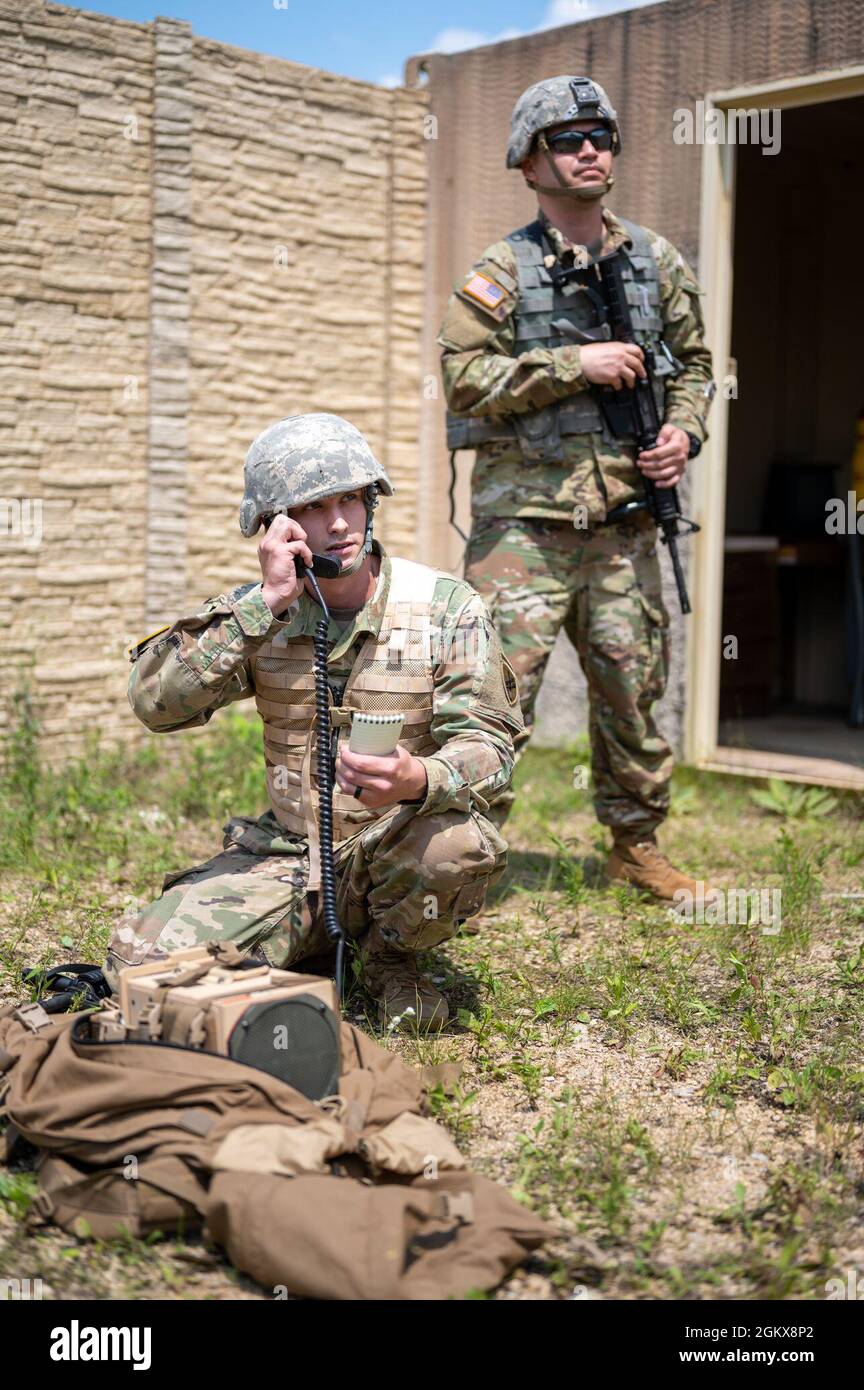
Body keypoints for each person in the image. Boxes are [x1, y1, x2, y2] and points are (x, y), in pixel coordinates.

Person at [105, 413, 522, 1029]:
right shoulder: (260, 612)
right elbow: (154, 704)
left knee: (456, 848)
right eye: (313, 507)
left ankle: (390, 956)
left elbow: (491, 745)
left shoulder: (444, 606)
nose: (337, 525)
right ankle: (317, 939)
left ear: (370, 502)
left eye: (350, 499)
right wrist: (264, 606)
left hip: (395, 846)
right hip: (290, 855)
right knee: (137, 961)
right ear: (277, 527)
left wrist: (420, 778)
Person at [438, 75, 716, 901]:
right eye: (567, 137)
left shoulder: (655, 261)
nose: (589, 148)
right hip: (526, 526)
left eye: (600, 134)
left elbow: (698, 365)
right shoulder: (503, 268)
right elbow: (460, 379)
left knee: (634, 687)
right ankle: (461, 853)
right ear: (529, 162)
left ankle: (635, 845)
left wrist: (683, 434)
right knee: (491, 691)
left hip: (627, 520)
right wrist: (573, 364)